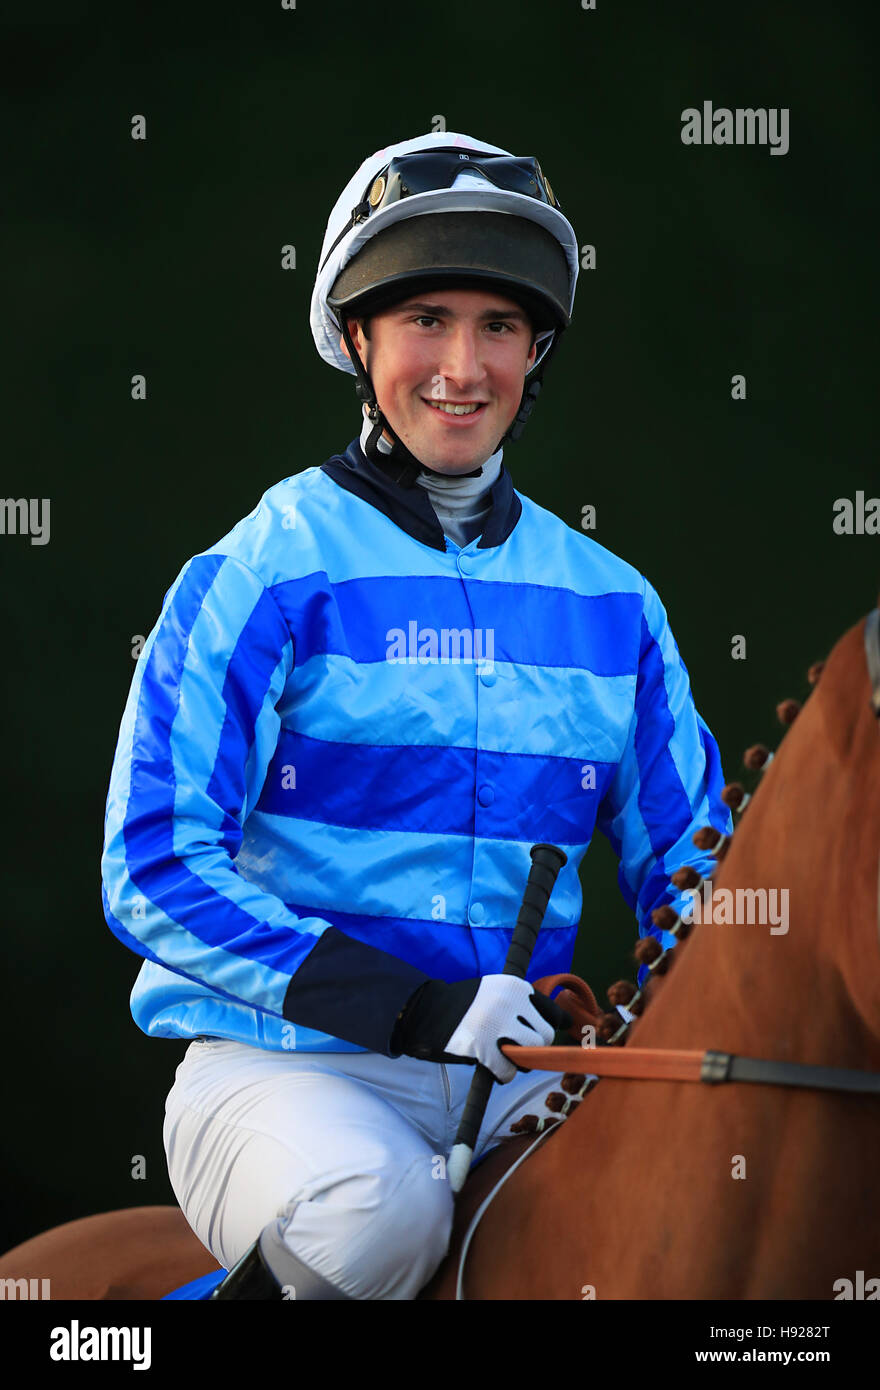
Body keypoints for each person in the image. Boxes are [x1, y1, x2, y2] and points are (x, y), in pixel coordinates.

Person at [100, 130, 733, 1300]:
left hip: (526, 1072)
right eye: (425, 320)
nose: (462, 364)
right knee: (377, 1211)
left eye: (498, 326)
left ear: (535, 351)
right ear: (358, 339)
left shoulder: (614, 605)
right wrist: (412, 1006)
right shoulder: (260, 570)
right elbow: (151, 869)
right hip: (285, 1073)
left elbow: (697, 883)